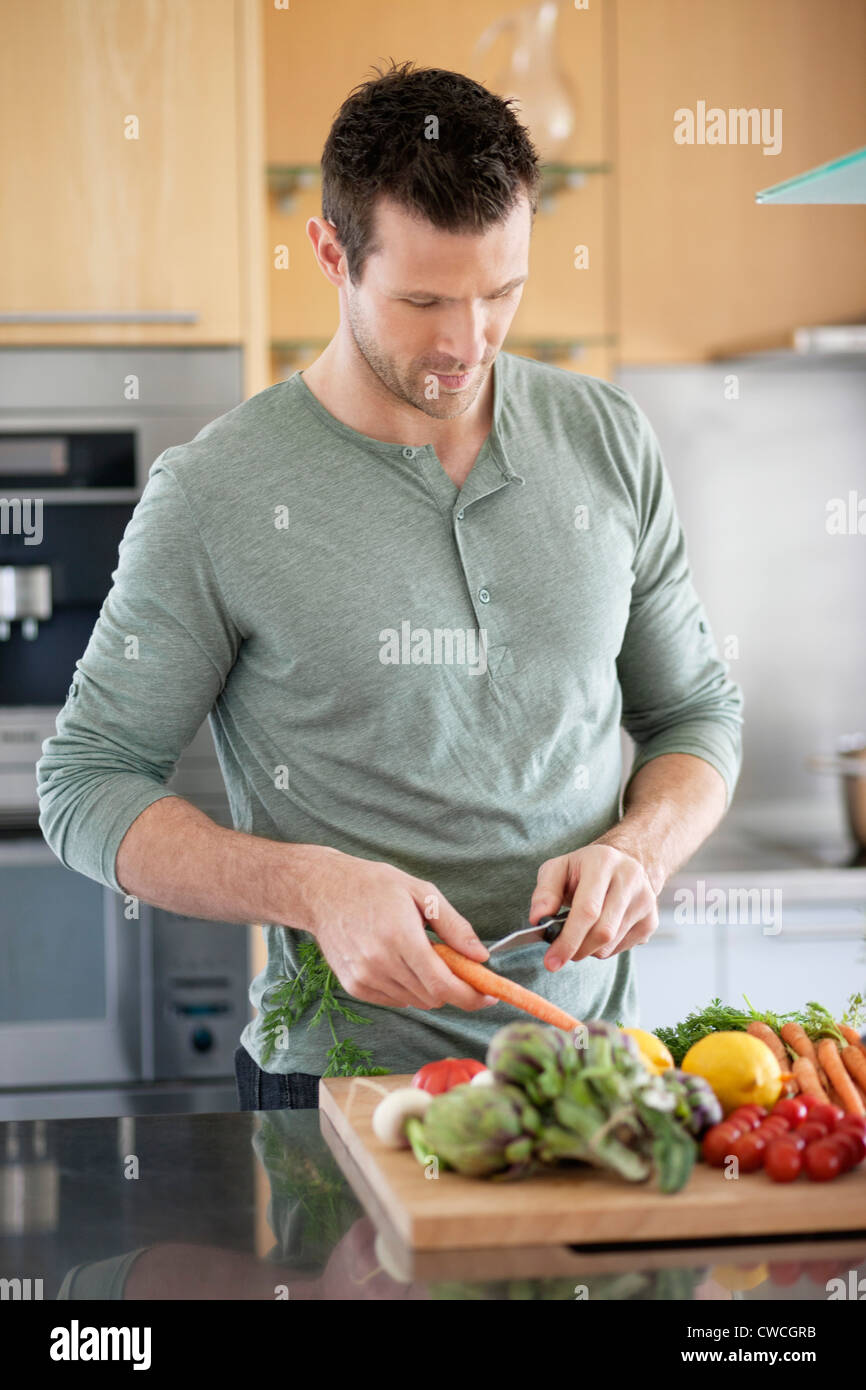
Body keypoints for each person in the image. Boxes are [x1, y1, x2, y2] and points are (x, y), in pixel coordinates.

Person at [37, 61, 744, 1111]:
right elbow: (85, 784)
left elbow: (695, 713)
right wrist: (309, 886)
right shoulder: (216, 494)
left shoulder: (606, 439)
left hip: (593, 1075)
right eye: (421, 300)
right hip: (342, 1097)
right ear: (331, 253)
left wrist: (636, 848)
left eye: (499, 293)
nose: (465, 344)